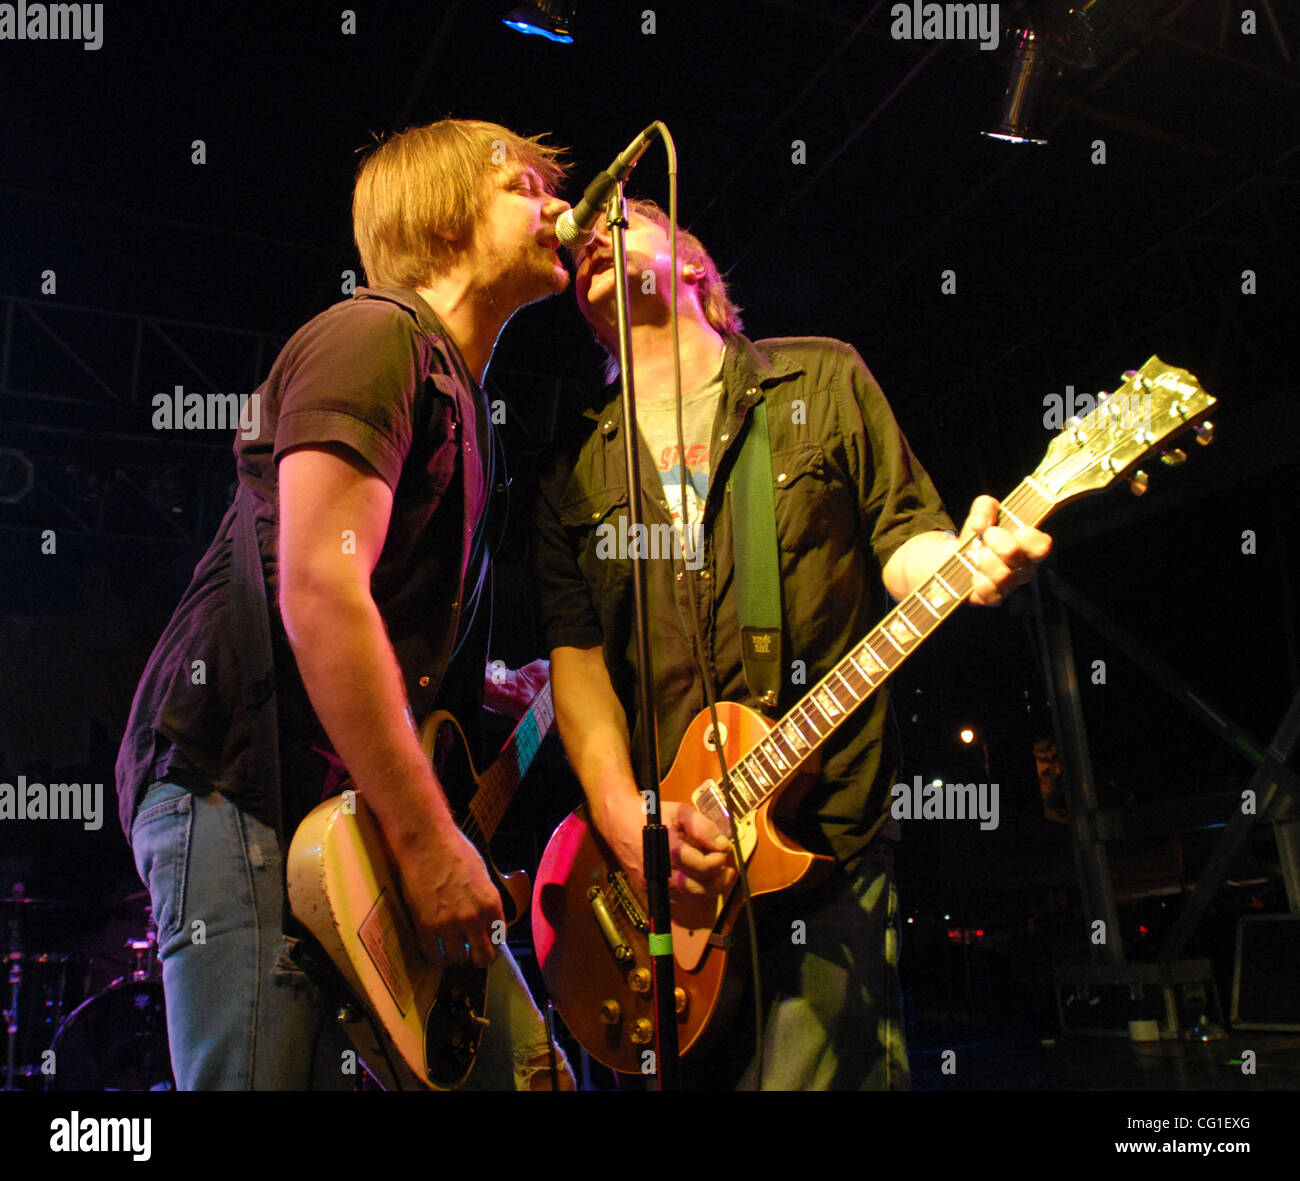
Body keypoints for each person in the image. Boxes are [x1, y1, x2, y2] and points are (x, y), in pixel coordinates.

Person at [533, 198, 1052, 1090]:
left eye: (625, 223)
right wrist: (624, 823)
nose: (592, 245)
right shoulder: (573, 469)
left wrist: (966, 561)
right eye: (582, 248)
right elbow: (578, 669)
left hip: (827, 839)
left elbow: (906, 543)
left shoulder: (821, 382)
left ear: (694, 267)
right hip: (660, 874)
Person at [115, 118, 574, 1090]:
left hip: (341, 818)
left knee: (527, 1073)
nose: (560, 208)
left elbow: (373, 597)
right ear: (445, 211)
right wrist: (426, 836)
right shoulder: (373, 333)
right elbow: (323, 585)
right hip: (244, 788)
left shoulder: (453, 395)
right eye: (526, 187)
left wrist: (491, 687)